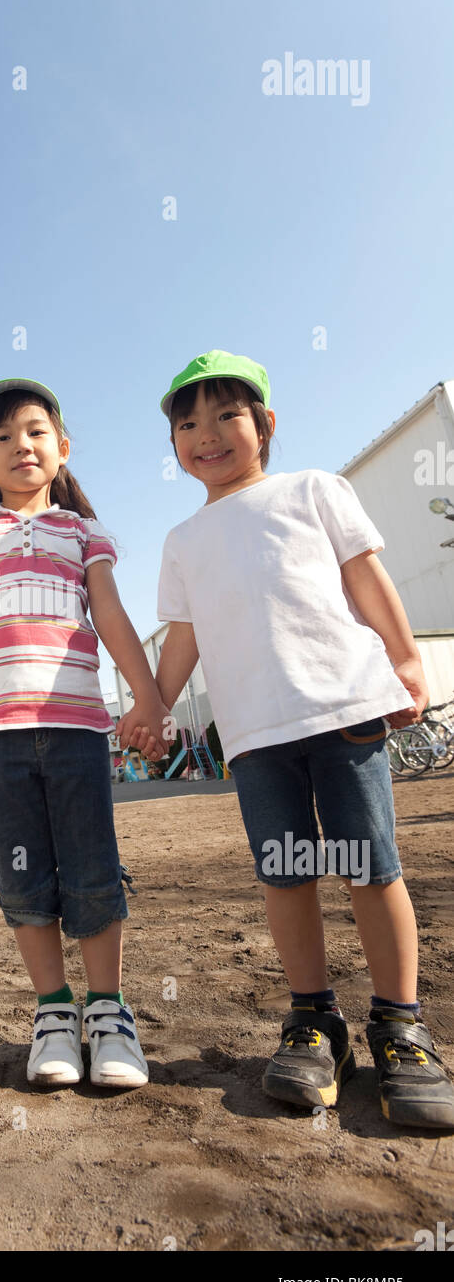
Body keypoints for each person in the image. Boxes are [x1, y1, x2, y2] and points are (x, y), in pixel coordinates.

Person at [151, 350, 454, 1127]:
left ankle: (400, 1024)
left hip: (342, 709)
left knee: (368, 866)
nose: (206, 435)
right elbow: (180, 638)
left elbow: (365, 577)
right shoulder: (183, 540)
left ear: (266, 424)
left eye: (226, 415)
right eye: (188, 424)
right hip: (253, 734)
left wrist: (407, 658)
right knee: (285, 874)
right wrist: (152, 704)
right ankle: (315, 1020)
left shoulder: (314, 490)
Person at [0, 378, 168, 1089]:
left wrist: (147, 696)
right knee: (24, 875)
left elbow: (111, 616)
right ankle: (54, 1012)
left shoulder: (83, 532)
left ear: (62, 447)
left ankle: (108, 1012)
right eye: (1, 437)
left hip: (78, 726)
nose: (21, 445)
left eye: (35, 431)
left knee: (91, 864)